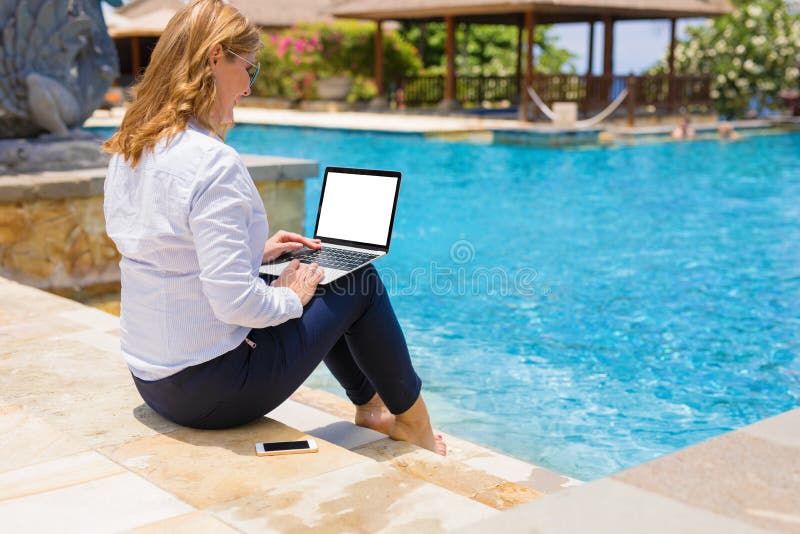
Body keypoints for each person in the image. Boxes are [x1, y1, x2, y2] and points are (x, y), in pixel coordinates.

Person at [102, 0, 445, 455]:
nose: (247, 86)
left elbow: (162, 250)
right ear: (214, 56)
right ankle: (414, 424)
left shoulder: (132, 148)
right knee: (355, 279)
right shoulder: (212, 162)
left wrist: (254, 254)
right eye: (248, 69)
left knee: (318, 274)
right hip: (211, 392)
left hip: (153, 380)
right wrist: (291, 297)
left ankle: (369, 407)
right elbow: (233, 302)